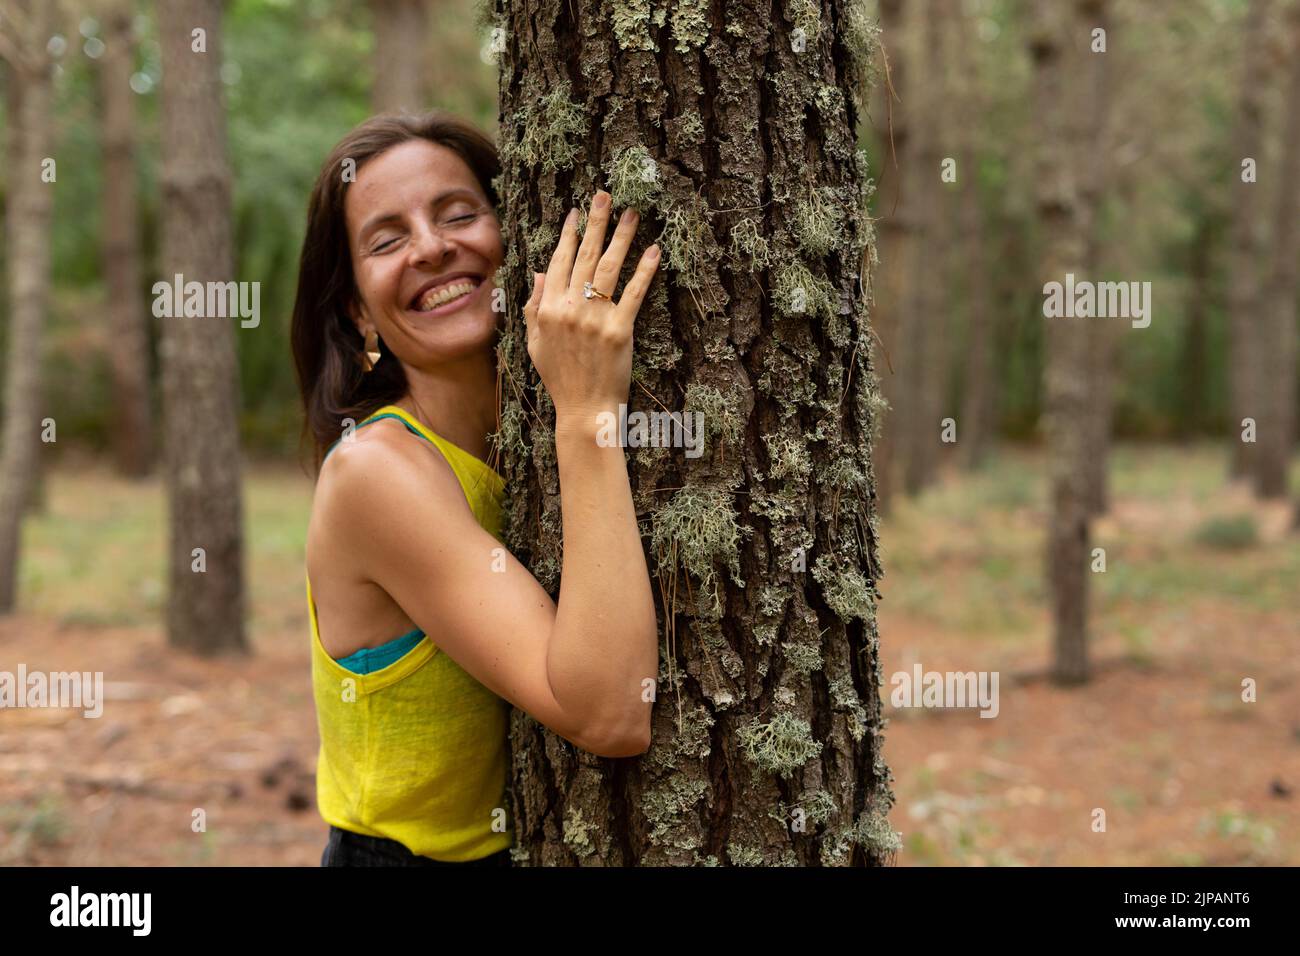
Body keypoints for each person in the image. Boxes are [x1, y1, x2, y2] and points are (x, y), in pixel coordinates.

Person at [289, 111, 661, 866]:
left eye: (460, 214)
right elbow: (613, 713)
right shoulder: (375, 472)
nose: (432, 247)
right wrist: (588, 412)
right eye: (387, 240)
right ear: (359, 310)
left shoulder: (505, 450)